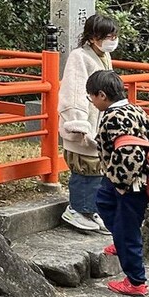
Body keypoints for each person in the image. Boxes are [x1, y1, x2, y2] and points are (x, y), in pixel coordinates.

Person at [87, 69, 149, 297]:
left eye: (91, 96)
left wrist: (121, 183)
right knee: (103, 203)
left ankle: (136, 281)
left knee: (128, 231)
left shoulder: (114, 117)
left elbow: (131, 153)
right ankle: (120, 241)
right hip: (123, 178)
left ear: (102, 95)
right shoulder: (135, 109)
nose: (92, 101)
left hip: (129, 182)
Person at [57, 13, 118, 233]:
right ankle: (76, 209)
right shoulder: (79, 57)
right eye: (107, 36)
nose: (112, 40)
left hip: (99, 120)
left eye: (114, 36)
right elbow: (74, 91)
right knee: (84, 167)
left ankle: (91, 210)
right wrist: (78, 121)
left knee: (98, 168)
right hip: (84, 122)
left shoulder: (104, 56)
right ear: (92, 37)